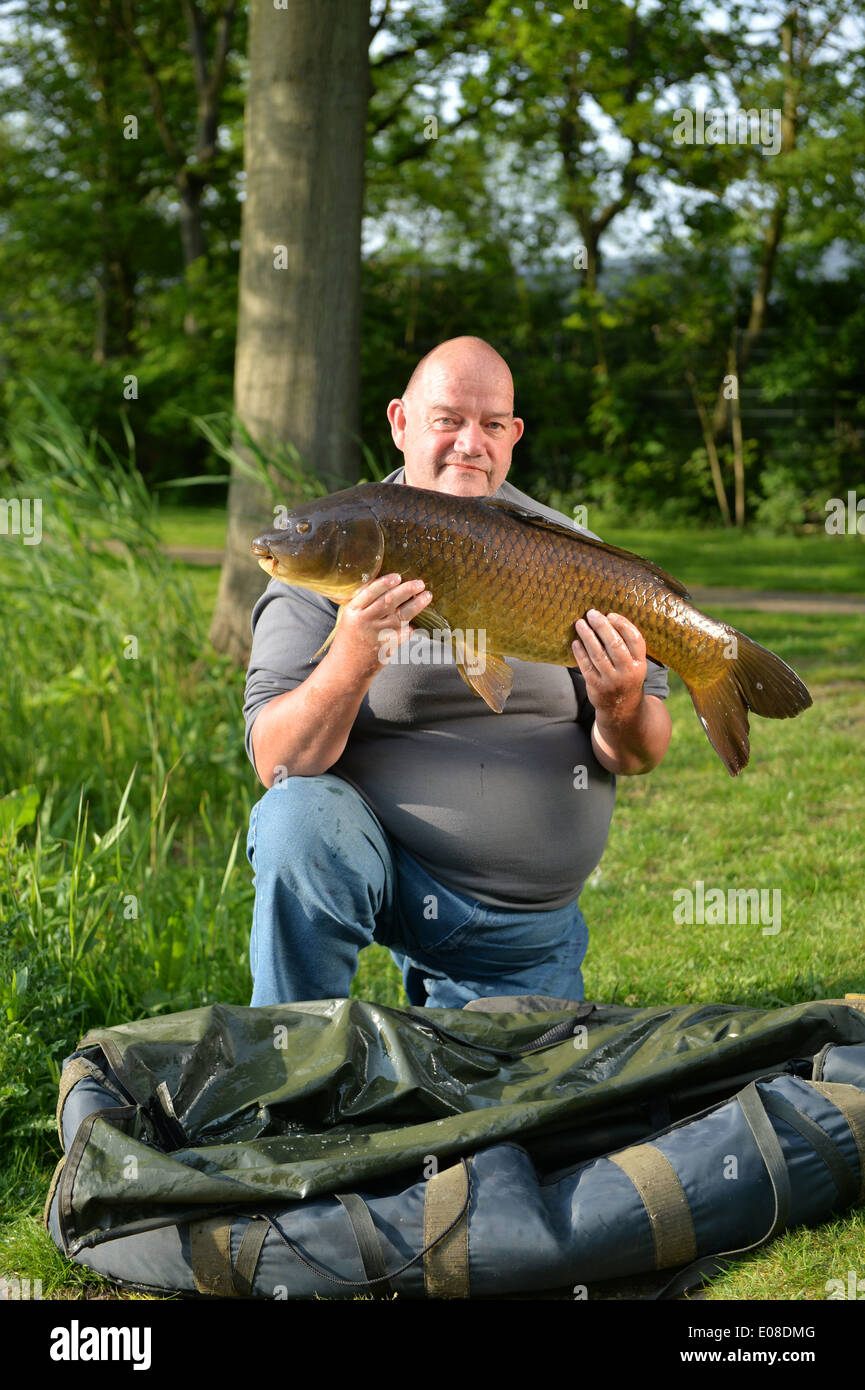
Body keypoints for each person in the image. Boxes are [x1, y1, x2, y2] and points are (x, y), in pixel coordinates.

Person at [242, 336, 672, 1009]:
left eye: (491, 424)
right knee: (298, 817)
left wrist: (618, 704)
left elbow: (638, 754)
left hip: (523, 928)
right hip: (390, 875)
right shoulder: (330, 552)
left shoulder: (569, 557)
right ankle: (295, 1050)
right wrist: (354, 657)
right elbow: (278, 762)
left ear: (512, 434)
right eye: (447, 420)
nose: (470, 443)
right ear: (400, 423)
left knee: (521, 1108)